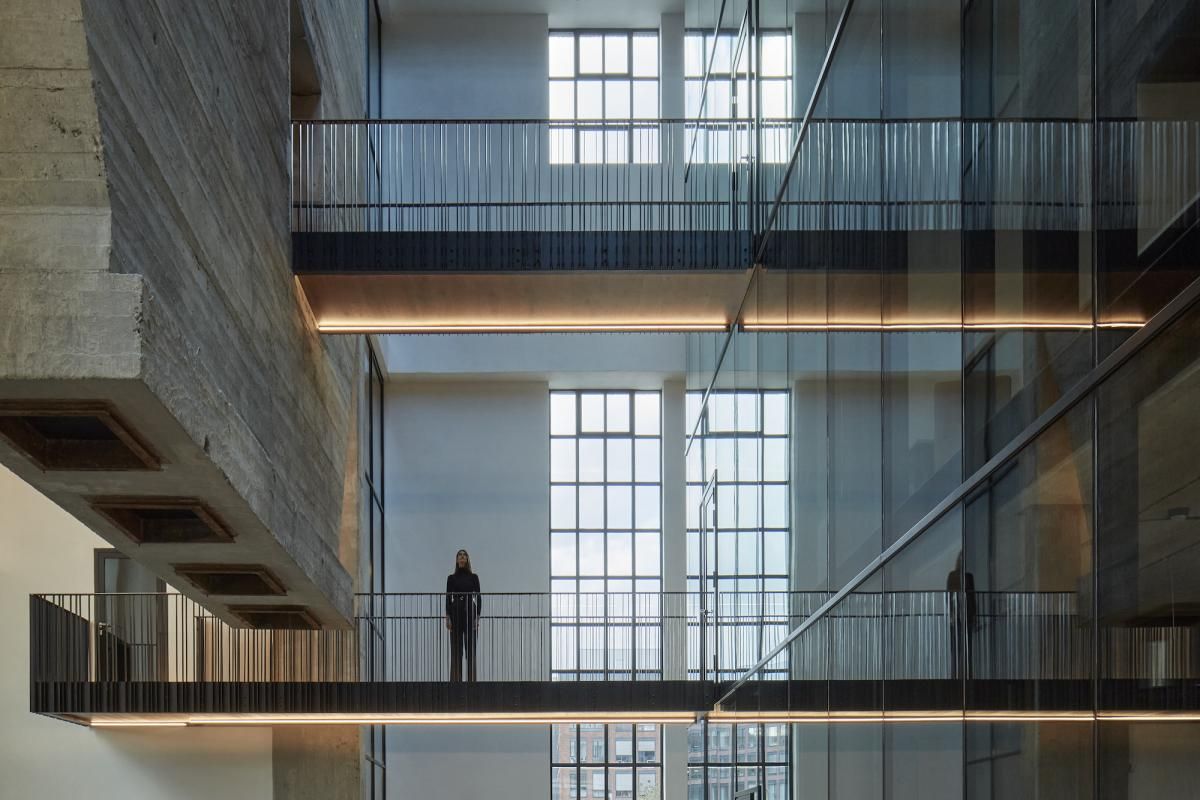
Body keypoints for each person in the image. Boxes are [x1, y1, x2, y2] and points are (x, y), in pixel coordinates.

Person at [445, 549, 482, 682]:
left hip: (470, 610)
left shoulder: (474, 577)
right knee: (456, 648)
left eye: (464, 555)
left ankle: (472, 682)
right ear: (456, 560)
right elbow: (448, 598)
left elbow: (478, 597)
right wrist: (448, 617)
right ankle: (456, 681)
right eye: (459, 555)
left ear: (467, 559)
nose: (462, 557)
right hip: (455, 611)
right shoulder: (451, 578)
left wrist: (477, 616)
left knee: (471, 648)